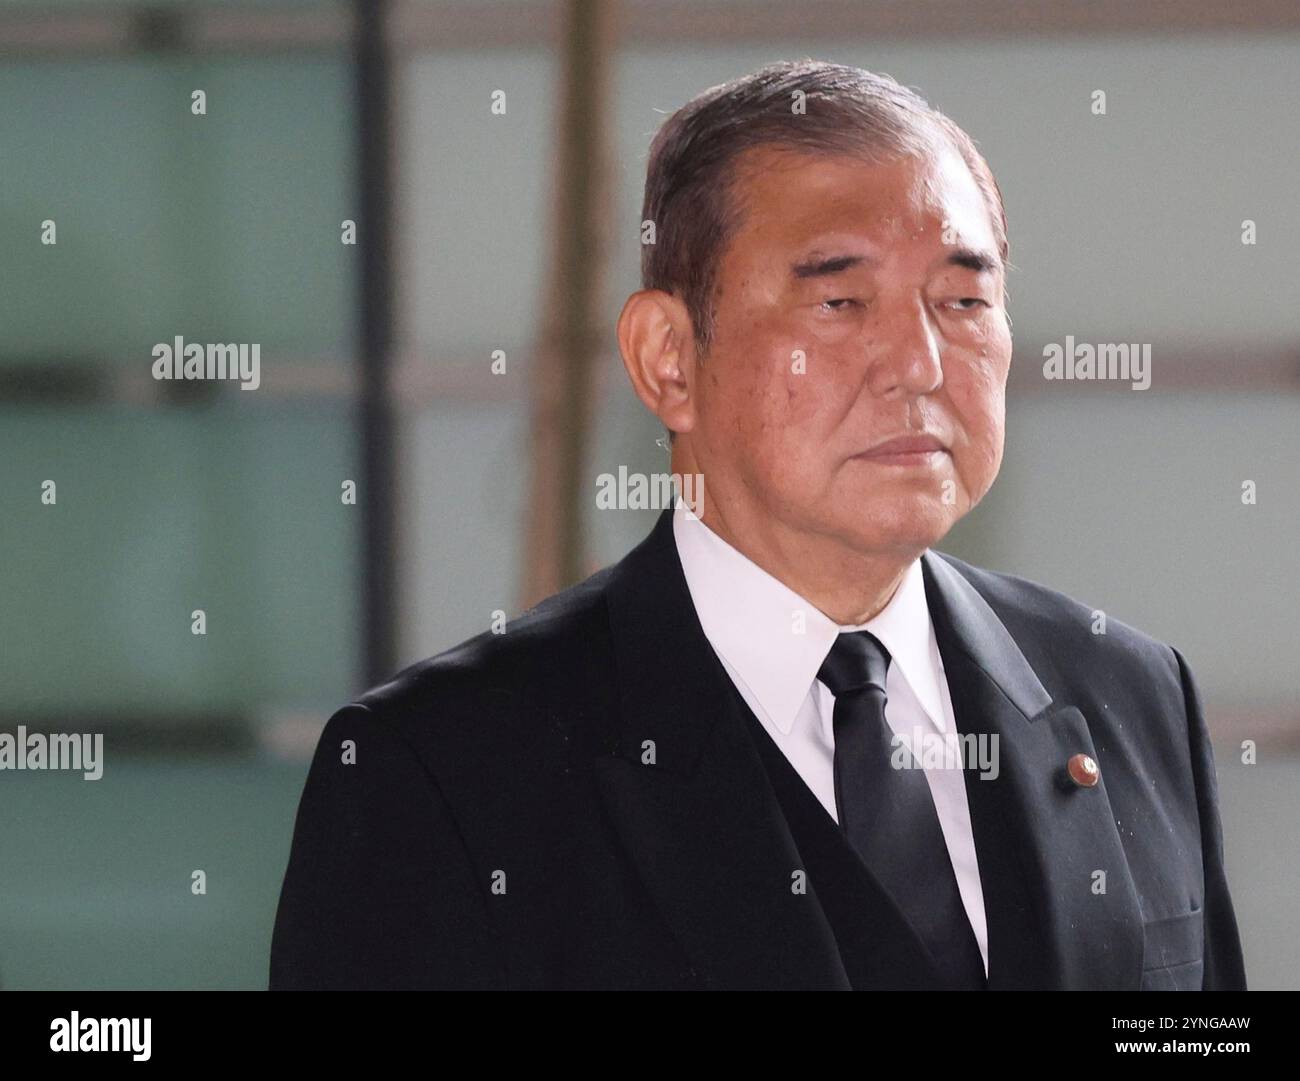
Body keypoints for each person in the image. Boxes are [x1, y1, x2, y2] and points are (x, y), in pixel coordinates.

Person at [269, 59, 1246, 990]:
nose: (917, 361)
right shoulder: (446, 775)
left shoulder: (1127, 696)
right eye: (838, 298)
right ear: (667, 360)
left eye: (960, 299)